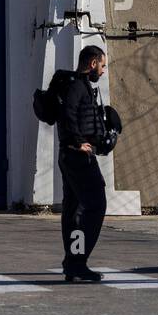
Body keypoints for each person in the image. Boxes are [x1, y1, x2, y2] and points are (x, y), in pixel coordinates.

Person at [56, 45, 110, 283]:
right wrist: (78, 142)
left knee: (74, 212)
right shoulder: (77, 86)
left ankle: (73, 262)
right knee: (96, 205)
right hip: (77, 157)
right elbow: (67, 113)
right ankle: (76, 262)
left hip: (70, 156)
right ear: (92, 63)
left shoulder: (78, 85)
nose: (104, 70)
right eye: (103, 65)